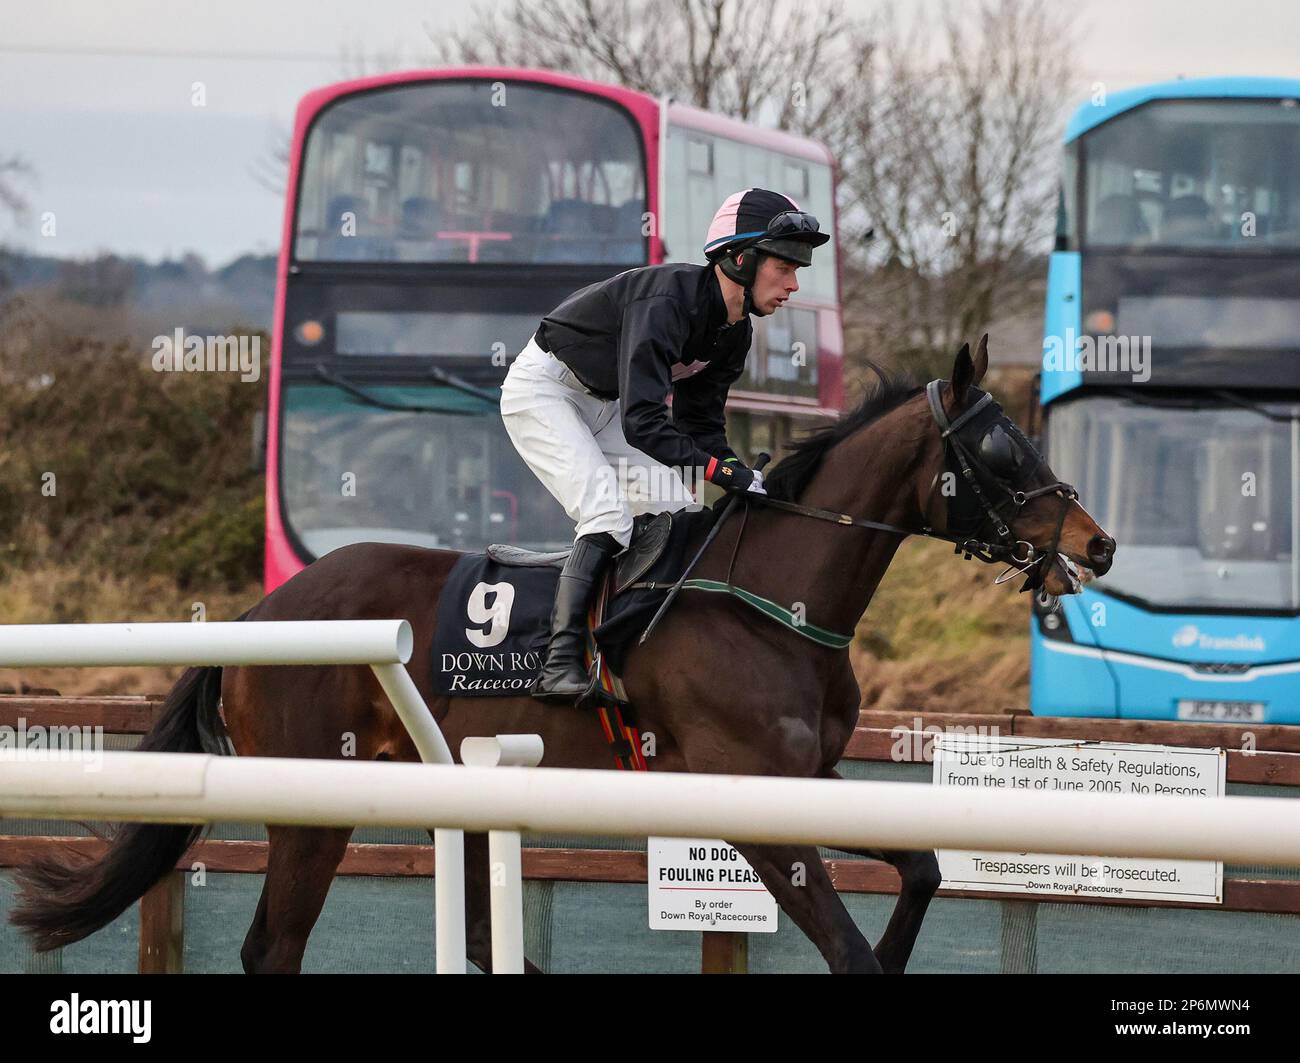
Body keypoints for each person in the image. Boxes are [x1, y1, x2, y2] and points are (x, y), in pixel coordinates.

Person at [500, 188, 830, 700]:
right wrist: (723, 474)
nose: (793, 284)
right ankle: (558, 663)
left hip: (607, 405)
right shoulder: (668, 301)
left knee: (678, 510)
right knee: (607, 516)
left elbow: (699, 427)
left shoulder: (734, 331)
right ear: (741, 258)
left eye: (798, 269)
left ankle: (640, 651)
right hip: (544, 392)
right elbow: (646, 424)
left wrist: (740, 475)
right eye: (784, 267)